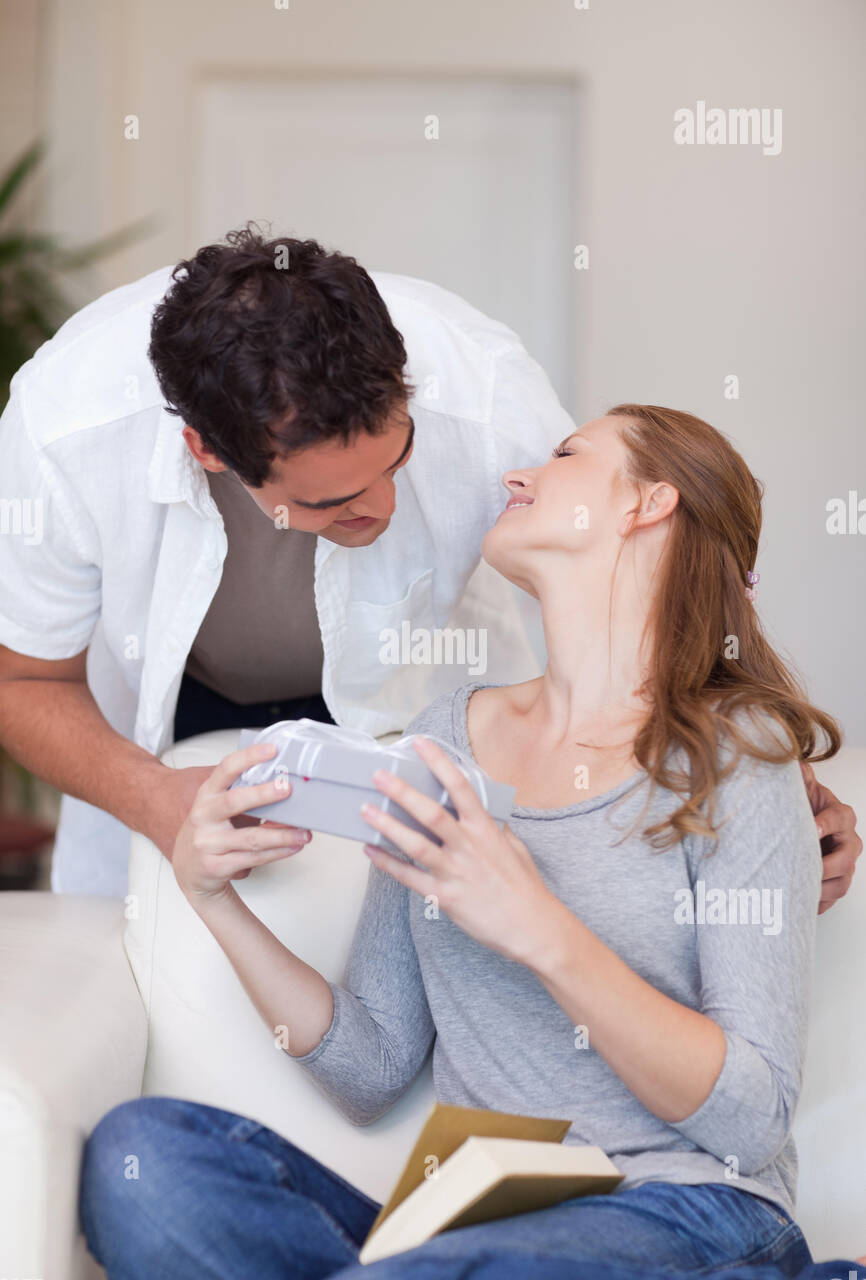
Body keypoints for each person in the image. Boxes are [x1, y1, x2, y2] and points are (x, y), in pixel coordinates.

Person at [80, 405, 858, 1280]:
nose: (517, 477)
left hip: (685, 1213)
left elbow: (752, 1121)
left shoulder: (738, 755)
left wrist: (533, 922)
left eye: (565, 456)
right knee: (145, 1159)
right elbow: (373, 1068)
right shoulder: (445, 736)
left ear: (649, 504)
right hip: (467, 1235)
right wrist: (212, 898)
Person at [0, 229, 859, 904]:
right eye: (334, 502)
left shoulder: (480, 393)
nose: (382, 509)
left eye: (397, 459)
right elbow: (24, 681)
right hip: (165, 712)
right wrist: (154, 798)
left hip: (414, 697)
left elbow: (642, 577)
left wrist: (771, 788)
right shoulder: (66, 428)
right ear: (207, 449)